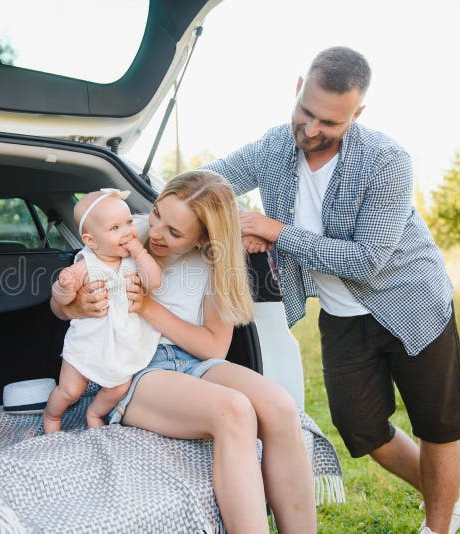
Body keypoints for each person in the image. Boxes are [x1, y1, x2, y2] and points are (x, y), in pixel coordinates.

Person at [202, 46, 460, 534]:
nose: (310, 130)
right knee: (361, 430)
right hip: (342, 316)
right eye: (306, 112)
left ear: (357, 113)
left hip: (411, 299)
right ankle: (448, 498)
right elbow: (210, 186)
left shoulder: (387, 160)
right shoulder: (271, 148)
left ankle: (438, 526)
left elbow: (368, 260)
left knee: (437, 424)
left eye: (329, 122)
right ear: (298, 86)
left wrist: (275, 230)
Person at [51, 171, 317, 533]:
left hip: (196, 362)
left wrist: (148, 307)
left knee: (280, 405)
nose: (157, 231)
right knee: (234, 411)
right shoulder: (126, 233)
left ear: (204, 238)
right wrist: (72, 304)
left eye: (175, 232)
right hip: (136, 369)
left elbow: (213, 347)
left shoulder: (215, 260)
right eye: (158, 213)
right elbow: (66, 301)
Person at [43, 188, 162, 433]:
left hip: (121, 344)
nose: (128, 231)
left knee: (119, 387)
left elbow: (154, 282)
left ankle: (95, 412)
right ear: (91, 241)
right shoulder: (87, 263)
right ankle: (52, 417)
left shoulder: (134, 260)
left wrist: (140, 252)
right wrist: (63, 286)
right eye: (114, 228)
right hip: (87, 343)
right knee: (70, 390)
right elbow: (61, 298)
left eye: (129, 222)